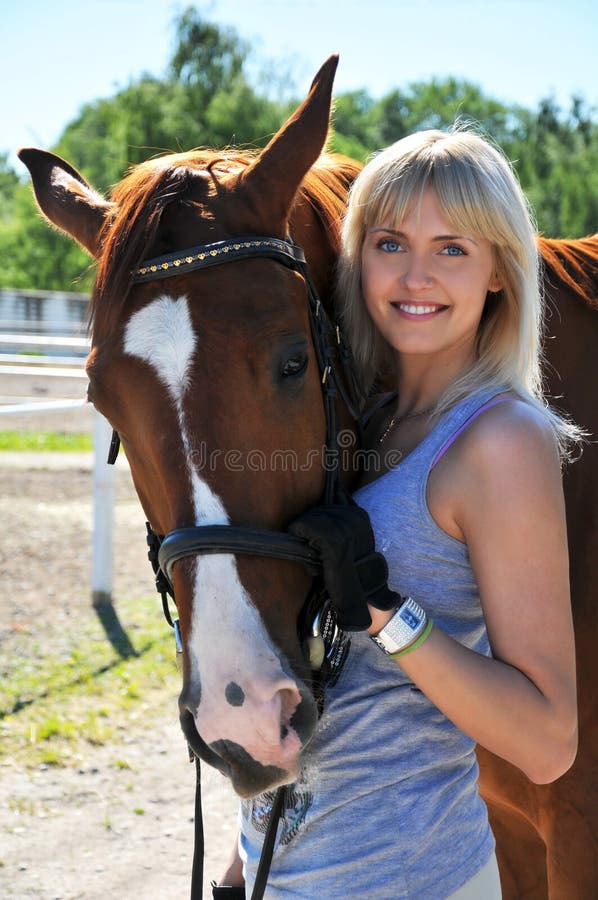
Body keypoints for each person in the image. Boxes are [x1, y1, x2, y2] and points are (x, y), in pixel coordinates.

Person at [217, 129, 579, 898]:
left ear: (499, 271)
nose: (416, 276)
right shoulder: (359, 415)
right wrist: (245, 856)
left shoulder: (501, 441)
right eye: (390, 243)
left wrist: (387, 611)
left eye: (452, 248)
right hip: (283, 870)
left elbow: (548, 742)